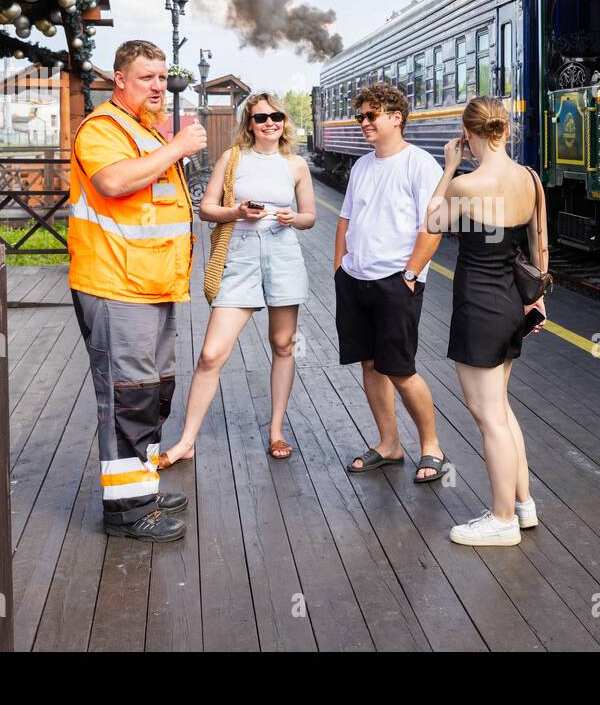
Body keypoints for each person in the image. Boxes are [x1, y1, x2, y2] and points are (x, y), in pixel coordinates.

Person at [68, 39, 207, 543]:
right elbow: (113, 183)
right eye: (146, 76)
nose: (158, 85)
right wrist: (177, 147)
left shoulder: (145, 132)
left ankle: (141, 483)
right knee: (124, 396)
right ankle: (127, 511)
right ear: (119, 80)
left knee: (149, 393)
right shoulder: (103, 128)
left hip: (153, 285)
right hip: (116, 284)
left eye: (162, 76)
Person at [158, 92, 316, 467]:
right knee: (212, 354)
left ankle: (276, 430)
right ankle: (186, 442)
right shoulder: (233, 159)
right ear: (249, 123)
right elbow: (206, 209)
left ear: (284, 121)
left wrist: (293, 218)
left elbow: (310, 215)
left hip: (282, 254)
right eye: (261, 118)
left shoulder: (295, 164)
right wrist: (237, 211)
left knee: (282, 345)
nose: (270, 123)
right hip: (240, 256)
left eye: (276, 116)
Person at [425, 98, 548, 546]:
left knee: (488, 416)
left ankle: (501, 521)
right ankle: (523, 504)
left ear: (468, 132)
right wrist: (538, 301)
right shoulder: (529, 179)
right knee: (502, 408)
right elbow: (539, 245)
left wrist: (448, 169)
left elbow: (432, 222)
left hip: (478, 305)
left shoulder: (468, 186)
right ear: (505, 129)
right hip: (512, 302)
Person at [334, 82, 449, 482]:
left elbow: (433, 226)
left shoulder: (421, 165)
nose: (363, 122)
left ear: (395, 118)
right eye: (360, 116)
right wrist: (339, 268)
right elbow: (345, 219)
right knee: (369, 363)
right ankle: (389, 445)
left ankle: (431, 447)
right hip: (355, 279)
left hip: (397, 281)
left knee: (400, 368)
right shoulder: (362, 166)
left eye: (371, 115)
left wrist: (411, 275)